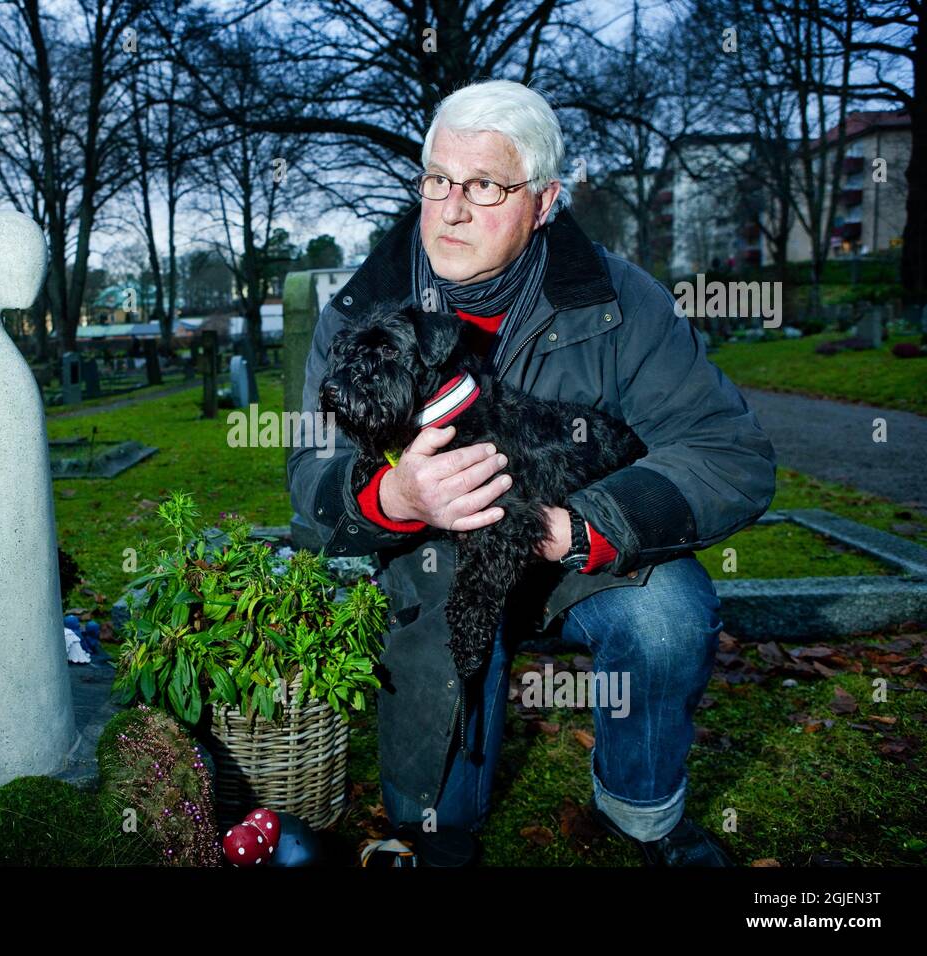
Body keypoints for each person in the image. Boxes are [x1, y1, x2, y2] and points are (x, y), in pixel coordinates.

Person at [288, 79, 776, 866]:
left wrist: (582, 529)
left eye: (484, 185)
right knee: (439, 812)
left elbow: (731, 452)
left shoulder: (621, 302)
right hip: (435, 556)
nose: (450, 208)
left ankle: (642, 811)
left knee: (670, 615)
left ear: (545, 201)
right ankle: (432, 823)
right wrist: (394, 495)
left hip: (571, 553)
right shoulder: (360, 306)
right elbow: (308, 471)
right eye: (437, 180)